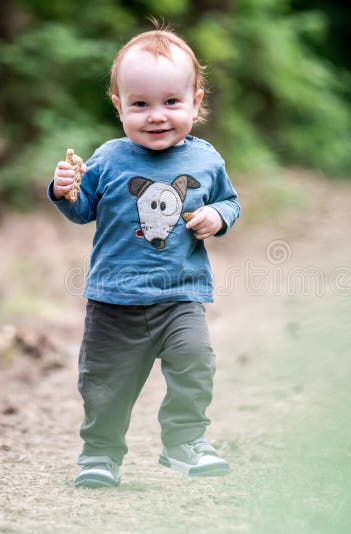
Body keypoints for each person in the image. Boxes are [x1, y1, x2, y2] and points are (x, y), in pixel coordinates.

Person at [48, 21, 240, 489]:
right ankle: (100, 454)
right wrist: (63, 189)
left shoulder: (206, 160)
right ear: (119, 106)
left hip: (180, 295)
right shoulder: (109, 159)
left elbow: (230, 201)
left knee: (196, 361)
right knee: (104, 384)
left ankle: (185, 441)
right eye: (140, 104)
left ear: (196, 101)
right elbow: (83, 210)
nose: (157, 116)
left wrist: (217, 215)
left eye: (171, 102)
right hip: (114, 300)